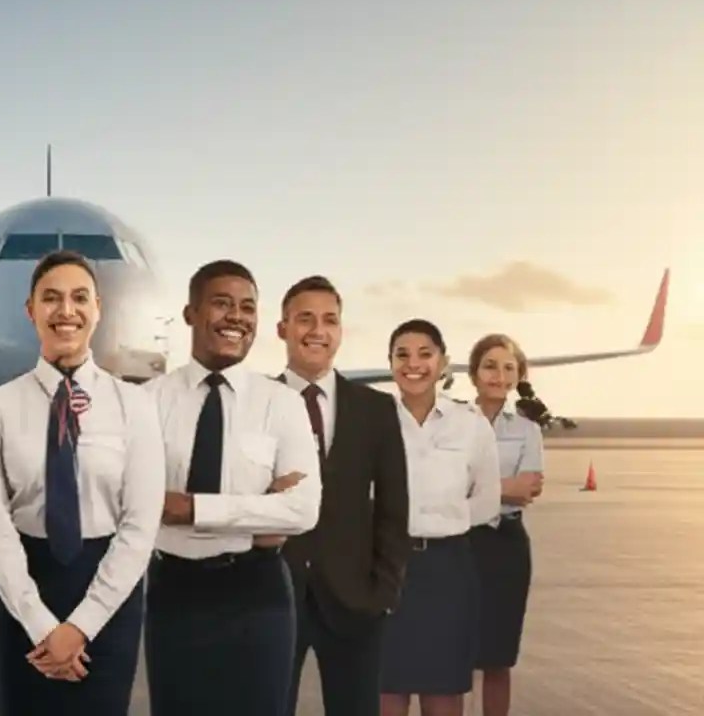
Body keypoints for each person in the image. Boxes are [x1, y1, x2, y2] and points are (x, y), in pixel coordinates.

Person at [0, 249, 164, 716]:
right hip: (21, 596)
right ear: (30, 310)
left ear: (98, 308)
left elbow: (139, 527)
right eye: (51, 298)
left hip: (107, 594)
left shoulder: (134, 406)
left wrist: (80, 627)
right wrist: (42, 626)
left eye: (79, 297)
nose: (66, 310)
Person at [142, 259, 323, 715]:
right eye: (222, 304)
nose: (236, 317)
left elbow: (303, 510)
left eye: (248, 307)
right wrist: (258, 511)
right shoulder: (147, 402)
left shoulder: (281, 403)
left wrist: (192, 509)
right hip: (174, 592)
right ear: (190, 313)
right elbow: (136, 502)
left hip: (257, 592)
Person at [275, 275, 410, 716]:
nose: (318, 330)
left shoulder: (376, 408)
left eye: (330, 320)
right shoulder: (256, 403)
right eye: (305, 319)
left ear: (341, 331)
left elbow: (394, 507)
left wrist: (383, 594)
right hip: (273, 600)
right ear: (282, 328)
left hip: (356, 603)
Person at [378, 319, 501, 716]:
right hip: (386, 568)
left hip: (447, 569)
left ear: (443, 363)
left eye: (425, 354)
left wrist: (442, 520)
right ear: (390, 363)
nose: (413, 364)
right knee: (385, 690)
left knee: (443, 692)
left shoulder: (470, 423)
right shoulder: (373, 419)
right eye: (402, 355)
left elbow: (488, 500)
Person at [466, 333, 545, 716]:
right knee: (454, 654)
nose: (498, 375)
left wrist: (474, 489)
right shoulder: (453, 423)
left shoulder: (528, 430)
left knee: (499, 657)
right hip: (460, 543)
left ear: (518, 376)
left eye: (508, 368)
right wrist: (502, 488)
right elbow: (442, 486)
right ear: (474, 373)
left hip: (506, 545)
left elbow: (527, 489)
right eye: (490, 366)